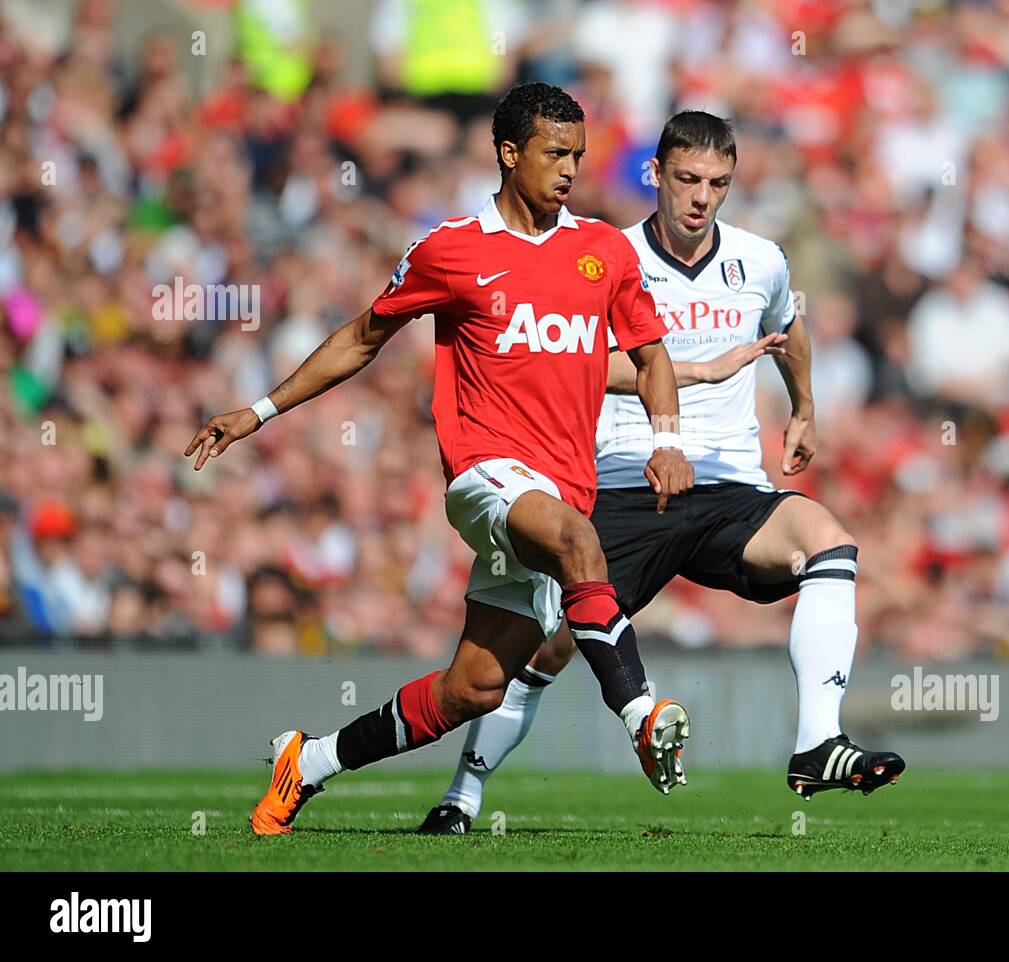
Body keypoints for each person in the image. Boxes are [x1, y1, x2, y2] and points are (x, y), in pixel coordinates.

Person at [184, 83, 695, 835]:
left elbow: (651, 356)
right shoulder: (451, 249)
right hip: (486, 474)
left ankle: (309, 760)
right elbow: (362, 337)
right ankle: (641, 715)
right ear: (509, 153)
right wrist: (260, 410)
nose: (570, 170)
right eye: (555, 153)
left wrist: (667, 441)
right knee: (579, 544)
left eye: (579, 156)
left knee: (473, 689)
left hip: (563, 487)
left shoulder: (603, 251)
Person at [420, 111, 905, 835]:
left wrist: (805, 409)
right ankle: (461, 798)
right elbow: (576, 358)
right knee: (541, 648)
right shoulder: (600, 255)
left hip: (729, 486)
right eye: (687, 179)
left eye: (718, 183)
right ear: (655, 174)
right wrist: (693, 372)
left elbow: (789, 324)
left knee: (828, 542)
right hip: (624, 481)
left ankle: (817, 744)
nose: (701, 197)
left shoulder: (760, 260)